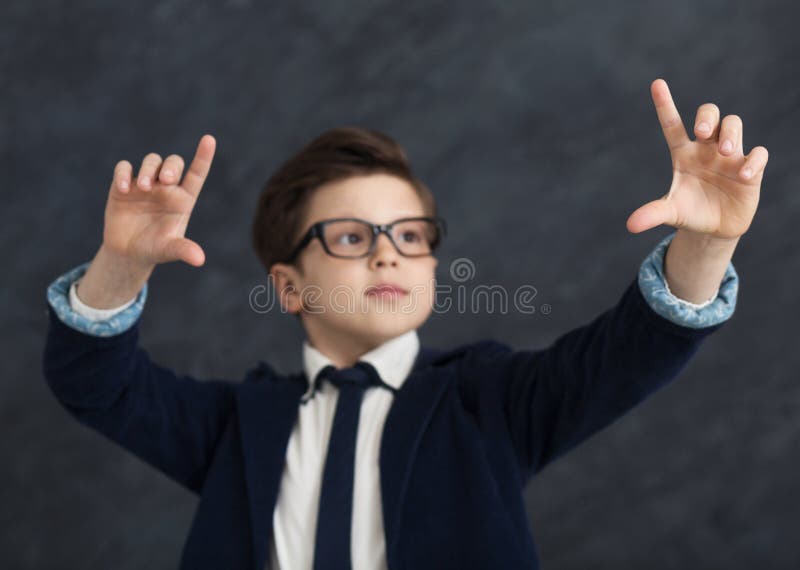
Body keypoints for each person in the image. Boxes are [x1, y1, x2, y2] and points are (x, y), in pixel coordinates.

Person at [42, 78, 766, 570]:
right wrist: (122, 264)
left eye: (412, 236)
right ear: (288, 287)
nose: (389, 253)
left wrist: (705, 243)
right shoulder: (238, 423)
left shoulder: (490, 404)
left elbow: (627, 356)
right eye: (352, 238)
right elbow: (95, 384)